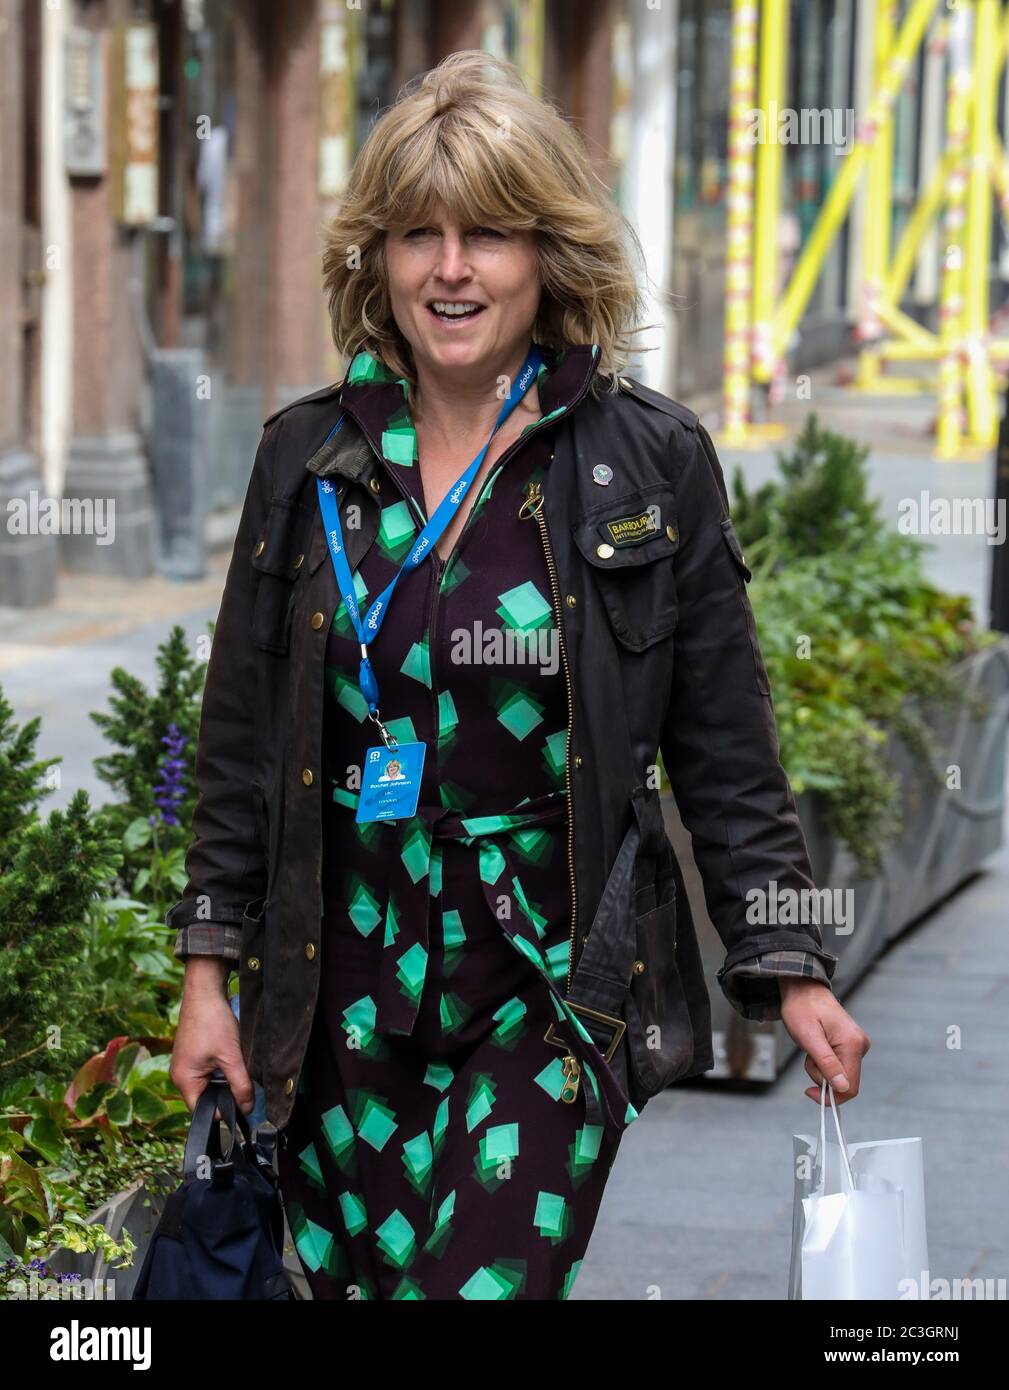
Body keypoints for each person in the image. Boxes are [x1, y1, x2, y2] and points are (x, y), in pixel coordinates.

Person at [167, 50, 869, 1302]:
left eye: (488, 233)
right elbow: (239, 745)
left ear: (547, 254)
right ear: (377, 258)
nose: (451, 269)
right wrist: (208, 976)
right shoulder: (305, 460)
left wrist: (788, 958)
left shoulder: (645, 463)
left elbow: (723, 740)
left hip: (544, 990)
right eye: (418, 235)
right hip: (343, 995)